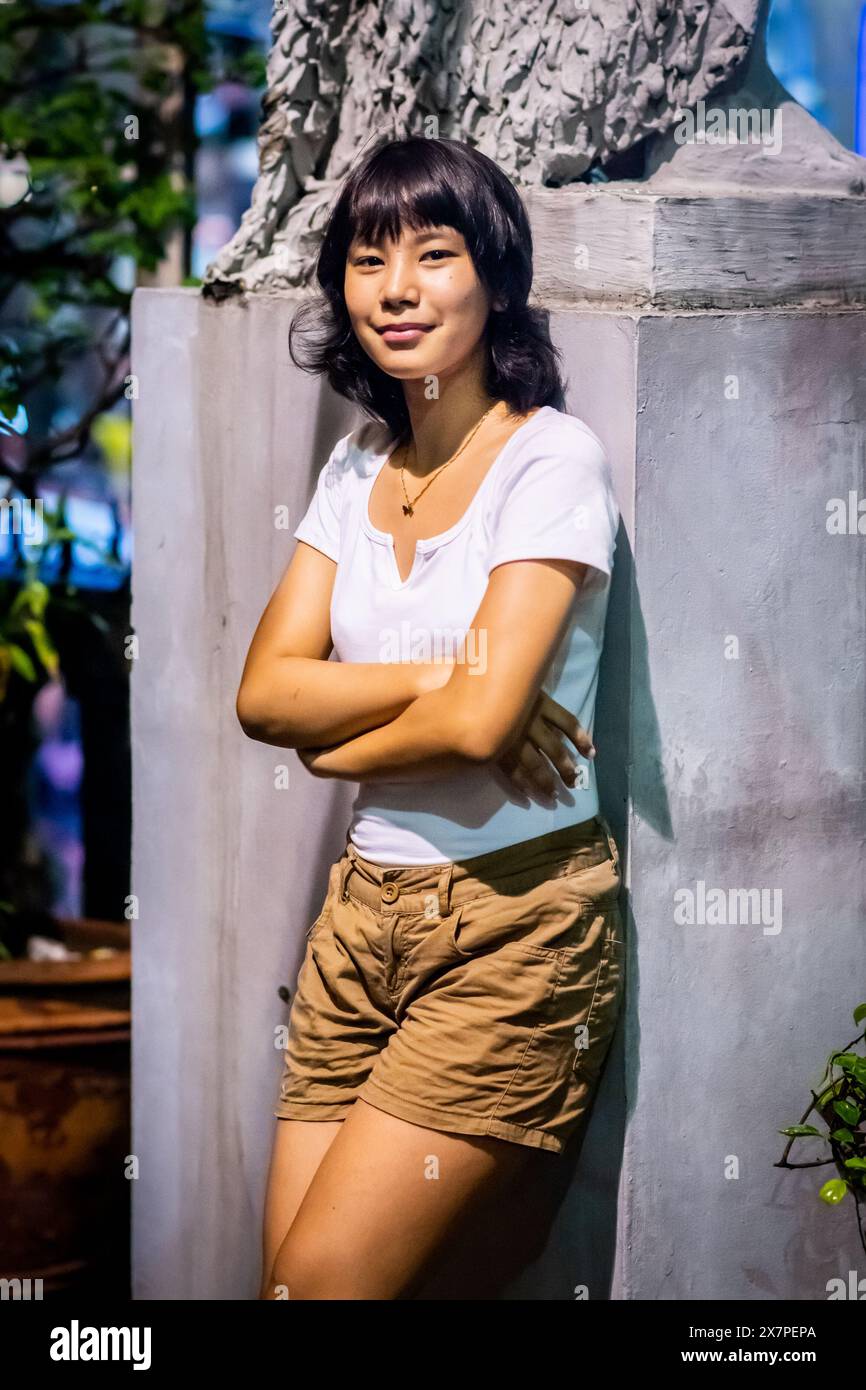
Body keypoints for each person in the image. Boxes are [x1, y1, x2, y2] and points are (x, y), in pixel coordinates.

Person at [236, 135, 625, 1300]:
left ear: (494, 279)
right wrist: (445, 673)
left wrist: (340, 729)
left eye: (433, 253)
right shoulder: (357, 470)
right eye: (366, 259)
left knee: (318, 1288)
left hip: (512, 929)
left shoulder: (549, 461)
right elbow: (264, 694)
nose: (395, 288)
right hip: (359, 921)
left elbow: (479, 726)